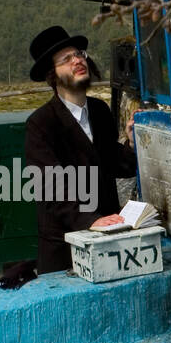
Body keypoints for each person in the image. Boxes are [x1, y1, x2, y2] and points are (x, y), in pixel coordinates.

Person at [24, 25, 138, 274]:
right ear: (52, 75)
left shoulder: (99, 110)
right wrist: (90, 220)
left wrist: (130, 143)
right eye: (66, 59)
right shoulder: (40, 124)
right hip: (65, 250)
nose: (77, 60)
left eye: (79, 54)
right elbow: (51, 187)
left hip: (109, 239)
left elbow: (112, 162)